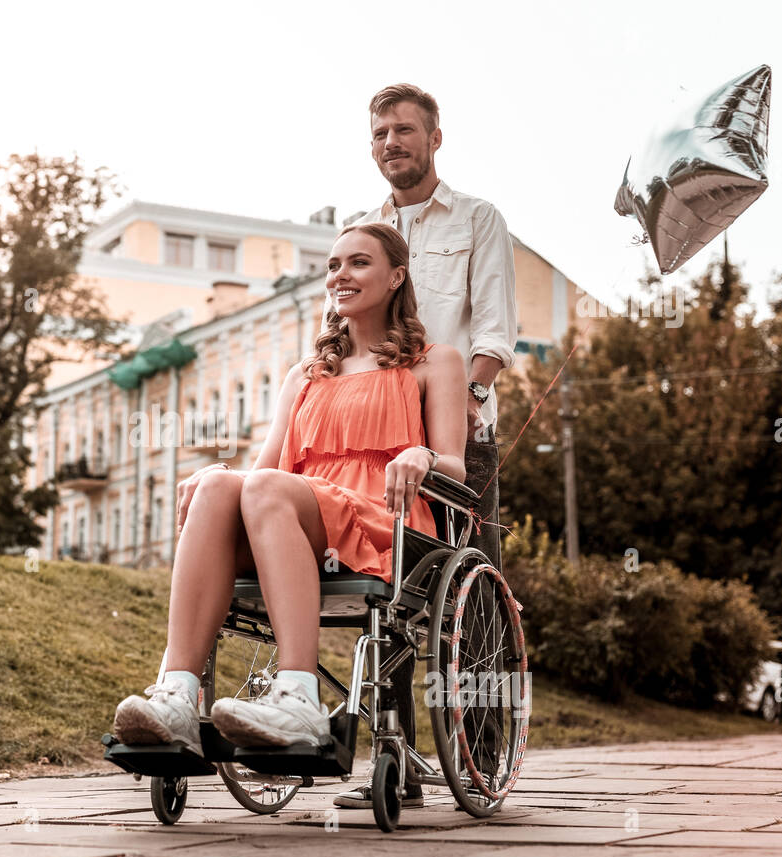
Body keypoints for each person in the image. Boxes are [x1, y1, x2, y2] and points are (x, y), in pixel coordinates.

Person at [112, 222, 467, 758]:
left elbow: (456, 467)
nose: (340, 275)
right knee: (217, 488)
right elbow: (262, 470)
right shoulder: (304, 374)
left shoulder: (436, 362)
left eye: (357, 263)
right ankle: (178, 696)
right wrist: (214, 476)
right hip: (296, 517)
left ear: (397, 277)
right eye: (332, 266)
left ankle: (299, 697)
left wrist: (424, 454)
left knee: (265, 490)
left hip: (384, 520)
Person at [331, 82, 518, 811]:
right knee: (383, 587)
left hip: (455, 434)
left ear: (435, 138)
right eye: (380, 133)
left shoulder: (477, 219)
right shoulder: (361, 231)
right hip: (377, 429)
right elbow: (340, 329)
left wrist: (470, 400)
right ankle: (395, 757)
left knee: (469, 604)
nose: (391, 143)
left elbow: (495, 329)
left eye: (404, 130)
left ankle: (483, 753)